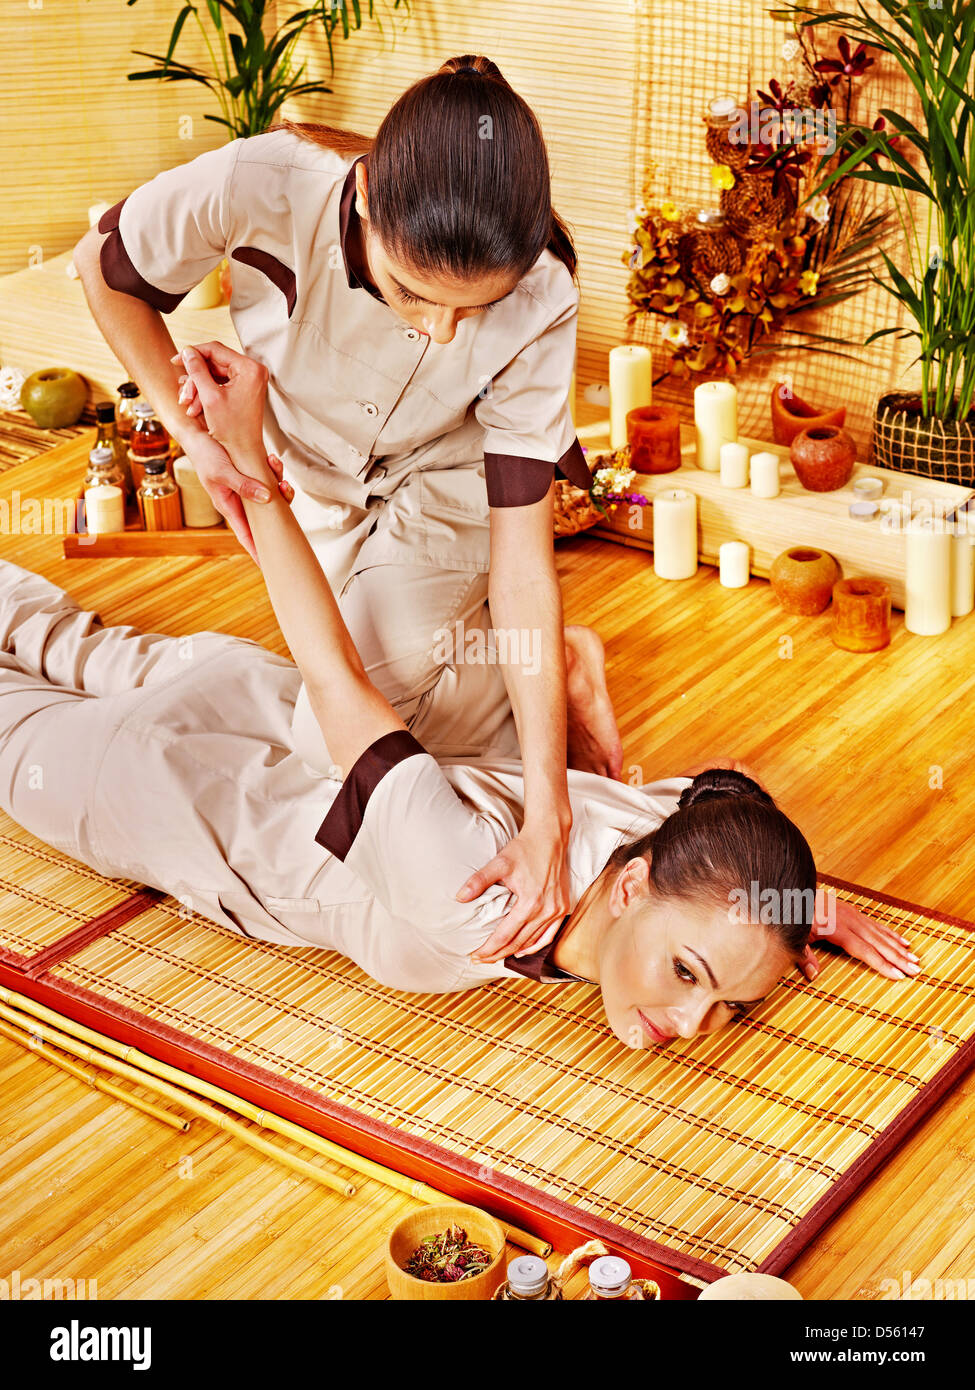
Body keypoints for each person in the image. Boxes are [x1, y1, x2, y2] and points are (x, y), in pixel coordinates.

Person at [0, 348, 920, 1040]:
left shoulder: (657, 836)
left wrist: (792, 913)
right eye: (688, 973)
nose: (685, 1024)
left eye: (722, 1003)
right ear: (634, 884)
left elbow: (722, 789)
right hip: (159, 790)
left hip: (251, 701)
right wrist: (249, 469)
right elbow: (335, 674)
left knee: (51, 632)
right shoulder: (482, 898)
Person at [72, 53, 622, 969]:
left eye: (469, 312)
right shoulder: (258, 182)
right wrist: (196, 437)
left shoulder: (544, 292)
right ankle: (537, 666)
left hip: (448, 477)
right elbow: (105, 272)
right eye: (413, 294)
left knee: (335, 730)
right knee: (372, 717)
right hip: (310, 466)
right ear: (365, 196)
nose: (440, 332)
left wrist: (551, 814)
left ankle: (546, 661)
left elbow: (525, 558)